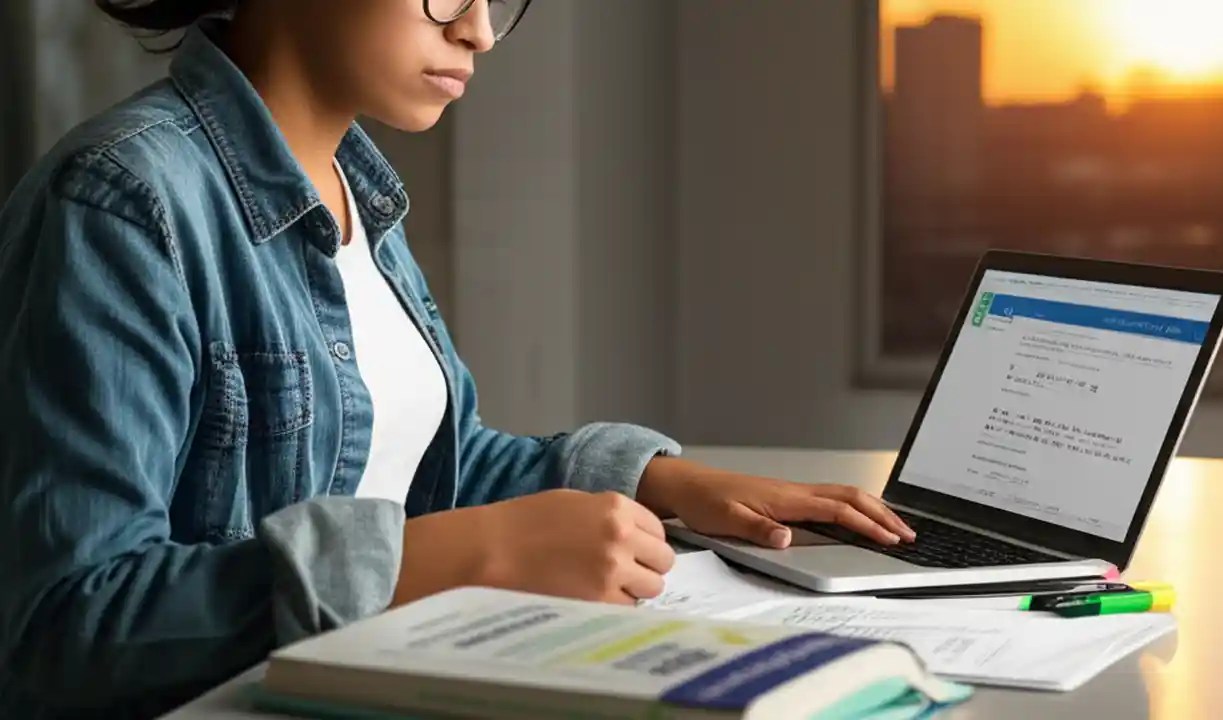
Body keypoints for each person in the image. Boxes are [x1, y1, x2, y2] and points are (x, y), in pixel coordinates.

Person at [0, 1, 916, 717]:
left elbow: (427, 462)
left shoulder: (355, 186)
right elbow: (66, 627)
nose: (477, 30)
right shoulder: (123, 204)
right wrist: (444, 559)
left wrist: (663, 480)